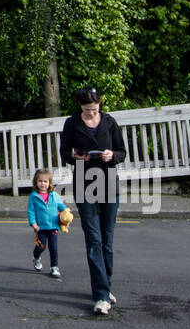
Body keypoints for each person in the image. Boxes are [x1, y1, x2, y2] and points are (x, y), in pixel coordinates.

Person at [61, 85, 125, 315]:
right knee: (93, 240)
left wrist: (112, 155)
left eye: (95, 109)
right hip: (85, 184)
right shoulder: (71, 124)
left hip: (108, 183)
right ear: (80, 106)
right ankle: (100, 296)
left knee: (107, 240)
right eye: (87, 110)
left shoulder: (109, 122)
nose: (91, 113)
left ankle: (104, 286)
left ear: (100, 105)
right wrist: (75, 156)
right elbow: (64, 153)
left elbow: (122, 152)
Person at [27, 167, 67, 279]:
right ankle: (36, 257)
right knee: (41, 246)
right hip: (41, 227)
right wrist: (33, 223)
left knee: (53, 247)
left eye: (45, 181)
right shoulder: (34, 197)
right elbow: (31, 211)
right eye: (40, 181)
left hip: (53, 226)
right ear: (36, 182)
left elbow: (62, 208)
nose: (43, 184)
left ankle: (54, 267)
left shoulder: (55, 196)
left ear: (50, 183)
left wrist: (66, 218)